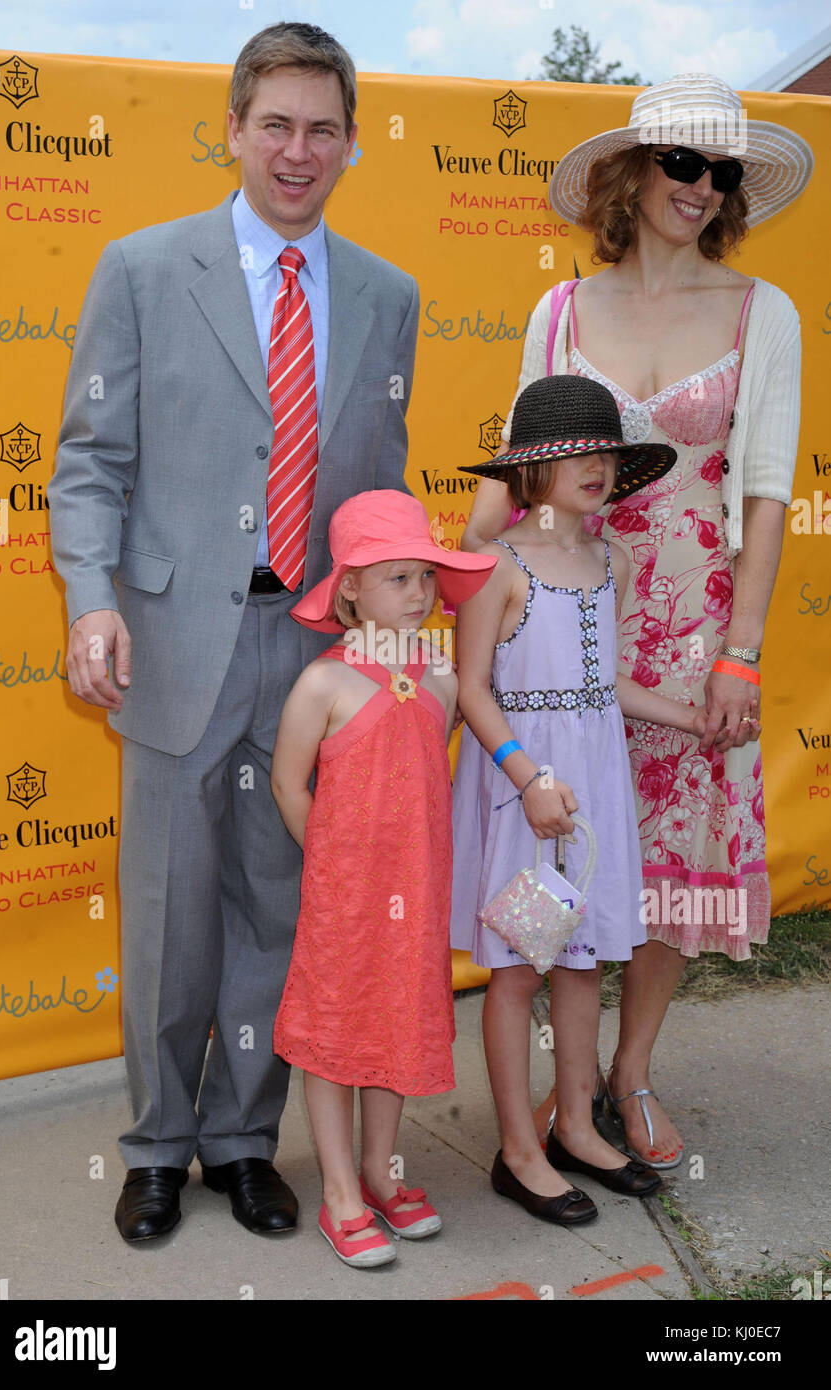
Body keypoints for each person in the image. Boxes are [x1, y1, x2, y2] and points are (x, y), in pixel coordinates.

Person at [47, 23, 420, 1243]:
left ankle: (243, 1142)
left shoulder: (388, 297)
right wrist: (92, 597)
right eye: (276, 125)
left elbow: (376, 492)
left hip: (316, 659)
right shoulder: (143, 270)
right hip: (170, 642)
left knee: (283, 906)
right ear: (233, 129)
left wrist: (395, 635)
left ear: (352, 143)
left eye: (322, 129)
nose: (297, 151)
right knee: (167, 909)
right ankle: (156, 1143)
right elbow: (91, 464)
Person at [461, 73, 811, 1168]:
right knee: (557, 842)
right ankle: (558, 1101)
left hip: (697, 622)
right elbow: (511, 480)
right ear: (628, 171)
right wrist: (435, 578)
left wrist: (740, 657)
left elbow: (762, 491)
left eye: (719, 173)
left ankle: (629, 1071)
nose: (700, 189)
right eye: (679, 163)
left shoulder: (763, 313)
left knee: (678, 854)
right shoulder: (558, 311)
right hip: (561, 626)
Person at [451, 375, 760, 1221]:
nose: (596, 465)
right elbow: (473, 690)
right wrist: (526, 775)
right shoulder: (495, 565)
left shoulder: (610, 558)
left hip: (593, 790)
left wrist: (690, 717)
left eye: (606, 452)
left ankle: (577, 1129)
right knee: (517, 969)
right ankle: (518, 1150)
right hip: (526, 796)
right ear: (527, 471)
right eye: (573, 453)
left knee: (584, 960)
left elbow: (605, 682)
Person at [269, 490, 494, 1266]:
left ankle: (379, 1169)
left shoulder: (440, 677)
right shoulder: (323, 686)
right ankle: (337, 1190)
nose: (418, 595)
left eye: (426, 579)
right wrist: (333, 861)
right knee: (334, 1039)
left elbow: (429, 773)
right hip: (343, 902)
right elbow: (288, 784)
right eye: (397, 578)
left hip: (417, 898)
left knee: (394, 1026)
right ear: (351, 589)